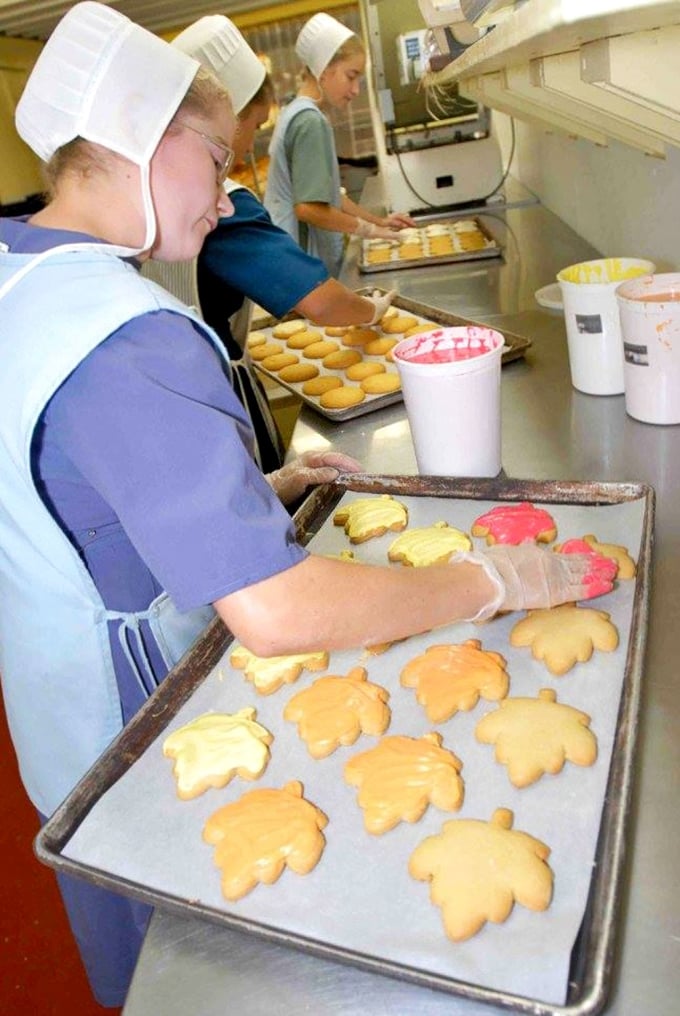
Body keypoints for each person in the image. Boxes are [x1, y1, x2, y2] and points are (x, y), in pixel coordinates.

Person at [0, 1, 616, 1008]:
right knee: (182, 972)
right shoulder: (126, 340)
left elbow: (74, 474)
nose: (231, 189)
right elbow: (277, 613)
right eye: (213, 156)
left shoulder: (20, 269)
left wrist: (249, 493)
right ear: (138, 145)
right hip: (136, 725)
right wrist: (491, 577)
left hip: (49, 694)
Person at [171, 15, 397, 471]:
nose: (253, 143)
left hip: (179, 396)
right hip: (220, 400)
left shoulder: (158, 203)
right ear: (223, 118)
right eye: (252, 125)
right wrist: (371, 310)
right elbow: (319, 302)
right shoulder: (221, 208)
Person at [264, 11, 416, 275]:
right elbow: (309, 209)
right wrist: (370, 231)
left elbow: (328, 194)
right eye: (351, 76)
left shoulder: (295, 112)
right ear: (324, 70)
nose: (356, 90)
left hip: (287, 261)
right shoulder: (310, 122)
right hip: (301, 262)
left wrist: (380, 221)